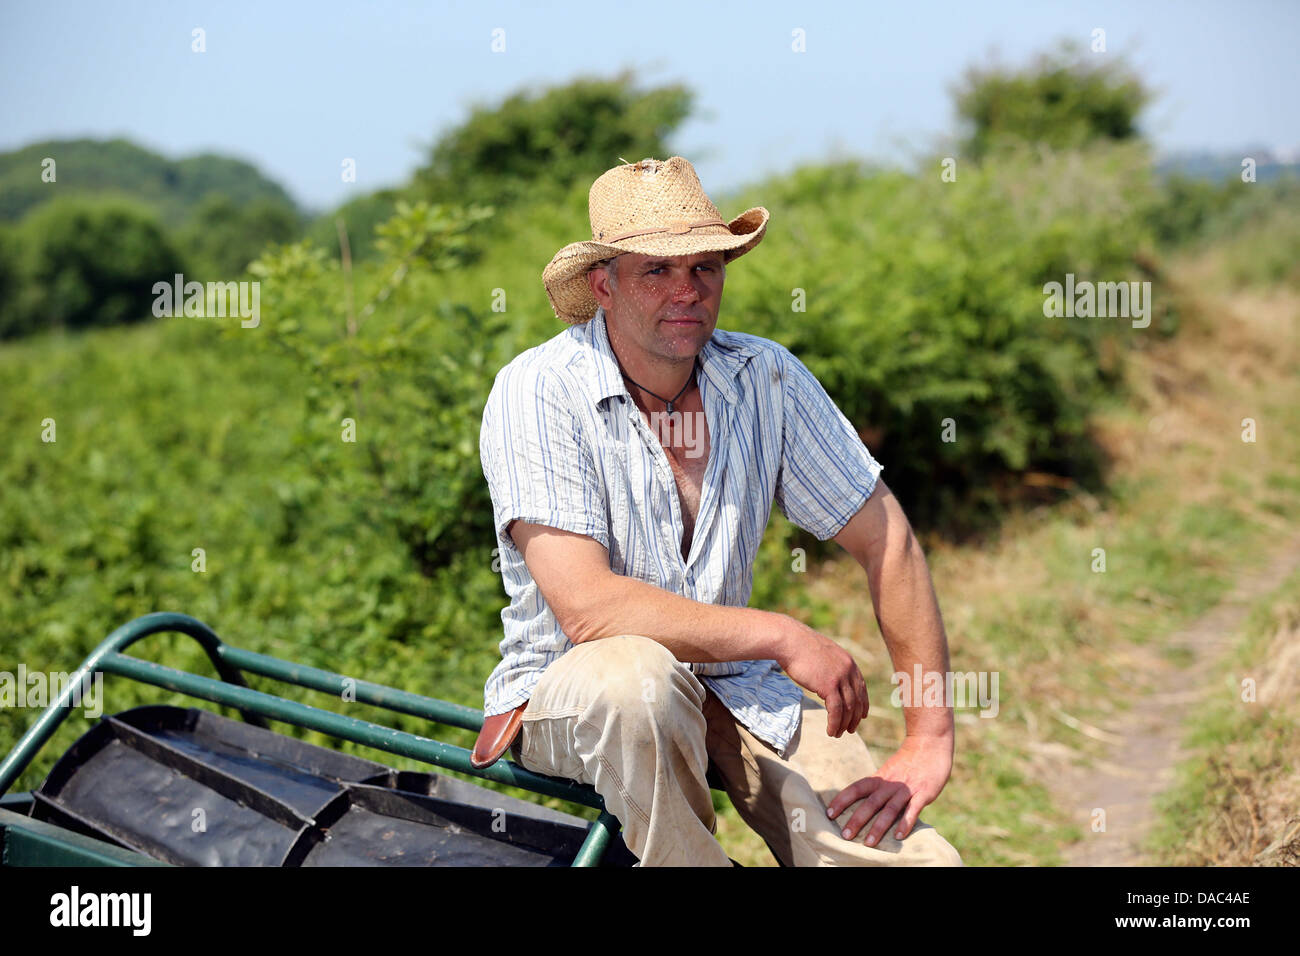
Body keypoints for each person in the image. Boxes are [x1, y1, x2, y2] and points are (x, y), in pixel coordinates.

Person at [476, 156, 963, 866]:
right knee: (637, 681)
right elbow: (589, 610)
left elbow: (889, 542)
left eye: (706, 268)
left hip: (735, 686)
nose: (688, 291)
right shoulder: (539, 390)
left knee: (924, 866)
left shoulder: (763, 375)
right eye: (658, 271)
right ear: (602, 284)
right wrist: (783, 635)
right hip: (579, 690)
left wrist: (928, 736)